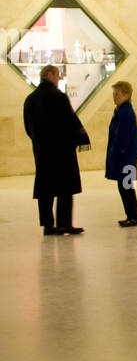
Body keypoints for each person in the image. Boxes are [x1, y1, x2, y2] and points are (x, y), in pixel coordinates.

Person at [22, 64, 89, 235]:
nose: (59, 79)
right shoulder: (58, 97)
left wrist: (39, 142)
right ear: (49, 75)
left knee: (46, 187)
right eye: (57, 75)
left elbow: (28, 128)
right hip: (62, 151)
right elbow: (69, 122)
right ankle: (64, 223)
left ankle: (48, 225)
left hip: (42, 151)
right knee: (65, 188)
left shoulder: (31, 99)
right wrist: (75, 140)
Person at [106, 80, 137, 227]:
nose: (115, 97)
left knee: (127, 188)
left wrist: (116, 150)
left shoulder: (125, 112)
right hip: (124, 156)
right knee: (125, 187)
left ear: (127, 95)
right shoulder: (122, 110)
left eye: (118, 94)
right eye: (114, 94)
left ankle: (133, 217)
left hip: (125, 157)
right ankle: (131, 215)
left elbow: (123, 136)